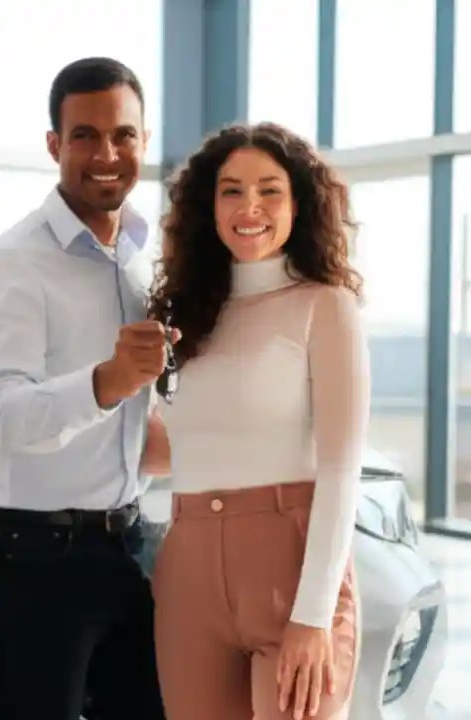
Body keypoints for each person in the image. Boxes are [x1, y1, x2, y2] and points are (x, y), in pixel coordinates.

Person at [0, 56, 173, 720]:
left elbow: (149, 421)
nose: (106, 154)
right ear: (54, 145)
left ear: (143, 141)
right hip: (43, 561)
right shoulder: (14, 263)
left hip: (135, 546)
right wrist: (107, 382)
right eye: (84, 135)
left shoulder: (147, 256)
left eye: (124, 135)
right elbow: (4, 415)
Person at [143, 122, 371, 720]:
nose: (250, 208)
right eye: (231, 191)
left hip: (293, 567)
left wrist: (314, 614)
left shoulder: (325, 306)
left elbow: (343, 469)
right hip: (189, 569)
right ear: (207, 206)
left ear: (298, 202)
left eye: (270, 190)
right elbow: (172, 446)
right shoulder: (184, 317)